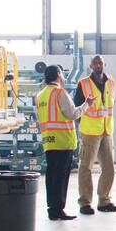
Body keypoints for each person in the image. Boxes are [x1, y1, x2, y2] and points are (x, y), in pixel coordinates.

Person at [37, 64, 86, 220]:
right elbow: (72, 114)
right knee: (61, 177)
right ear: (58, 74)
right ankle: (58, 209)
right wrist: (86, 105)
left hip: (48, 141)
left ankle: (52, 209)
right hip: (62, 140)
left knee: (51, 176)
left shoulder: (41, 95)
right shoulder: (59, 92)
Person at [72, 54, 116, 214]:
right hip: (89, 131)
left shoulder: (111, 83)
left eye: (100, 62)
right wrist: (84, 127)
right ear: (91, 66)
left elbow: (111, 103)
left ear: (104, 64)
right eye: (95, 62)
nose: (98, 64)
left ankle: (104, 201)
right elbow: (77, 108)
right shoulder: (83, 84)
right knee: (86, 167)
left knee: (109, 167)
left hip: (106, 130)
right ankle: (85, 202)